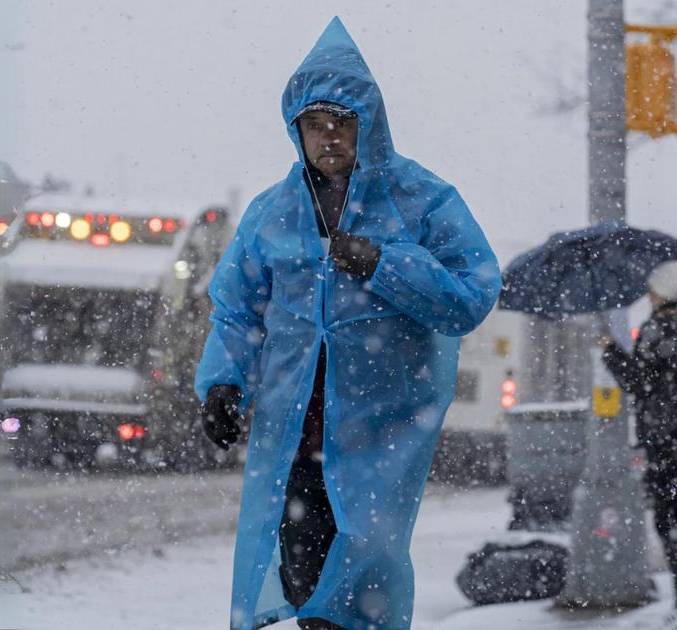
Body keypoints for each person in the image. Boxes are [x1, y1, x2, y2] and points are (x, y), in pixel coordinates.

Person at [194, 17, 501, 630]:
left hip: (381, 437)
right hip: (294, 439)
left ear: (370, 124)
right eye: (315, 123)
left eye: (343, 121)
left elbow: (470, 296)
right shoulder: (270, 213)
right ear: (296, 131)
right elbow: (237, 307)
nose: (329, 136)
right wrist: (224, 383)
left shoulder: (424, 199)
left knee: (366, 580)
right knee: (308, 582)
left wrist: (384, 264)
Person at [600, 255, 677, 625]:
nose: (649, 296)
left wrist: (611, 352)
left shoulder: (660, 328)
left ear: (665, 292)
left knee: (671, 520)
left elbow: (641, 384)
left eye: (653, 290)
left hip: (668, 437)